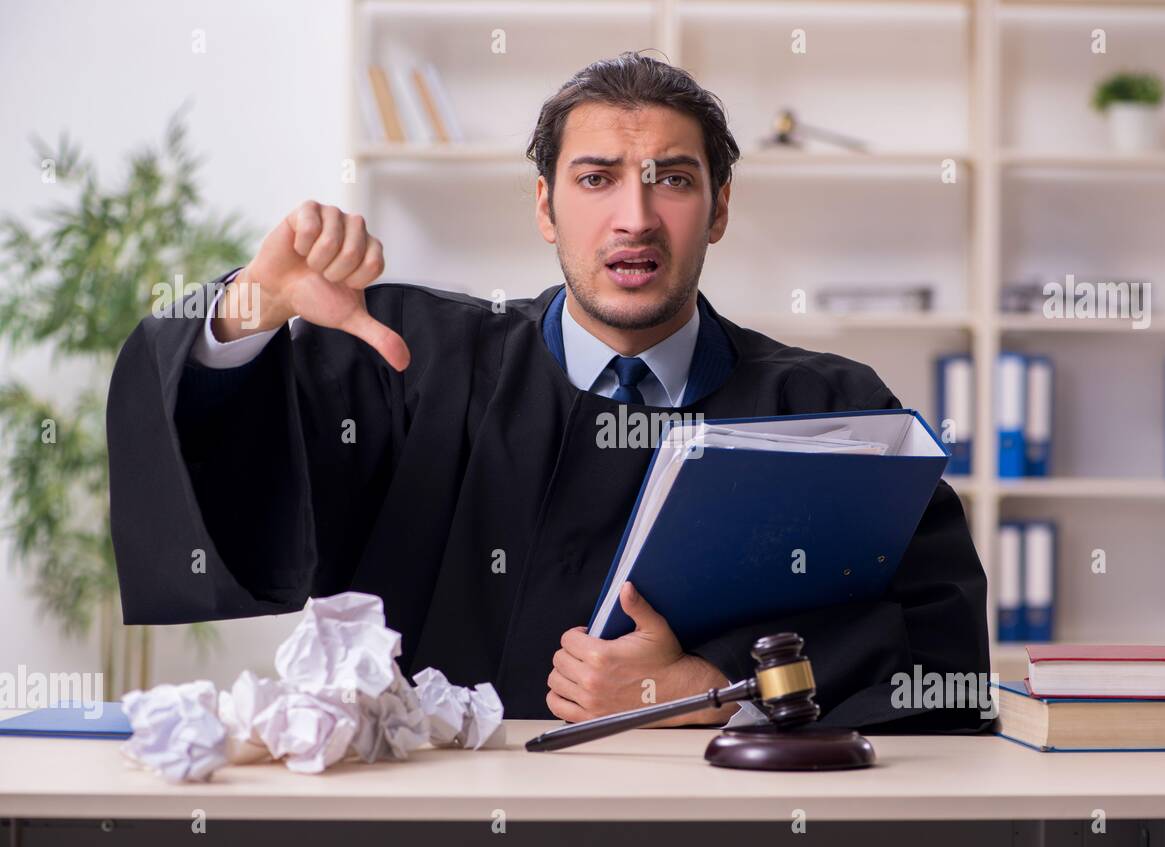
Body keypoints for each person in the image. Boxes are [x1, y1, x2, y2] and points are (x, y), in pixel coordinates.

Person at [108, 51, 990, 731]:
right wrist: (246, 316)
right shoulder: (411, 364)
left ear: (719, 208)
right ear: (544, 206)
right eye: (596, 177)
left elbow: (937, 646)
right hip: (436, 839)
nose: (635, 216)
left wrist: (712, 687)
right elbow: (236, 485)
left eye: (673, 179)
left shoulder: (825, 407)